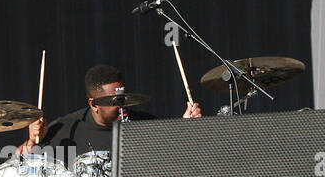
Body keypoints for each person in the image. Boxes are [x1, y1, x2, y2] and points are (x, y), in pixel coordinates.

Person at [19, 64, 202, 157]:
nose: (124, 107)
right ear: (94, 104)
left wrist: (185, 129)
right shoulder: (67, 128)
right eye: (115, 102)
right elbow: (15, 165)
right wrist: (32, 142)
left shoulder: (143, 123)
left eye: (125, 99)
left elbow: (175, 155)